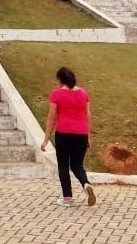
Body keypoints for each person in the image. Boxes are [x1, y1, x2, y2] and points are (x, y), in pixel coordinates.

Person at [40, 67, 96, 207]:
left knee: (64, 165)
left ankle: (68, 197)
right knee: (77, 165)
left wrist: (46, 139)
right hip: (81, 133)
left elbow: (51, 118)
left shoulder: (56, 94)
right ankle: (86, 184)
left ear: (60, 79)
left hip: (64, 133)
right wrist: (88, 136)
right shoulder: (83, 93)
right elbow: (87, 115)